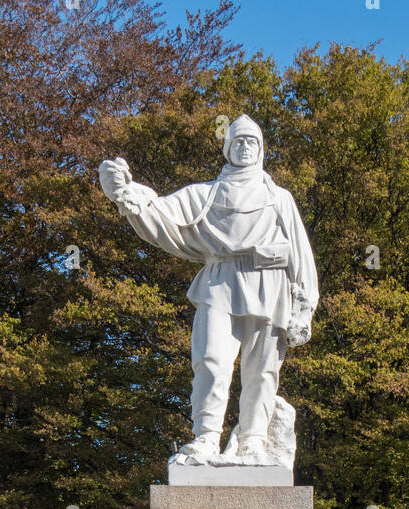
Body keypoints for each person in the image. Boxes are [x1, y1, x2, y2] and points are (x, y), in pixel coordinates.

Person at [99, 115, 318, 464]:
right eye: (238, 141)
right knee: (211, 360)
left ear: (261, 149)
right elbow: (161, 213)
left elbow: (301, 255)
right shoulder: (205, 194)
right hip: (219, 281)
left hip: (270, 283)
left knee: (261, 369)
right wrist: (125, 192)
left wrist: (304, 306)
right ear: (227, 148)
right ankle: (205, 437)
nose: (245, 147)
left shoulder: (279, 198)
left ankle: (253, 441)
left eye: (252, 141)